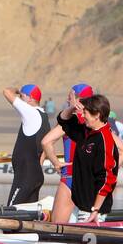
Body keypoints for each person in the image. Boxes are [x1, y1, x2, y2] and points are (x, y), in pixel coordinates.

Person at [59, 93, 120, 222]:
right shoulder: (86, 132)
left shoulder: (105, 140)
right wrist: (72, 108)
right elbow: (63, 120)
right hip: (80, 205)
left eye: (85, 113)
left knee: (86, 242)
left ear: (97, 115)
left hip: (92, 210)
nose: (83, 115)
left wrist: (96, 209)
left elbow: (108, 179)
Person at [42, 83, 93, 222]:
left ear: (78, 99)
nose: (67, 99)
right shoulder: (99, 121)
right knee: (86, 227)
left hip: (71, 177)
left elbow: (46, 142)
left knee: (56, 227)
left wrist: (56, 163)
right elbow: (122, 151)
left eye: (69, 96)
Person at [1, 83, 51, 206]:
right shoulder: (44, 116)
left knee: (11, 211)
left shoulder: (31, 112)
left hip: (25, 177)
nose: (20, 99)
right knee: (28, 216)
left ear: (30, 98)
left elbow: (7, 91)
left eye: (22, 96)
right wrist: (38, 164)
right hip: (34, 175)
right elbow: (47, 144)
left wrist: (17, 90)